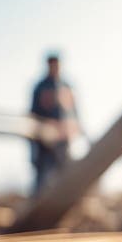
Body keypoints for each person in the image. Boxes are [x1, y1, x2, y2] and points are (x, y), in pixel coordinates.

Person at [30, 53, 80, 193]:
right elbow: (33, 114)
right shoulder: (41, 87)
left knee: (65, 171)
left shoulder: (67, 86)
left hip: (64, 139)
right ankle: (39, 206)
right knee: (43, 174)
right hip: (45, 140)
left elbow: (74, 111)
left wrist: (76, 128)